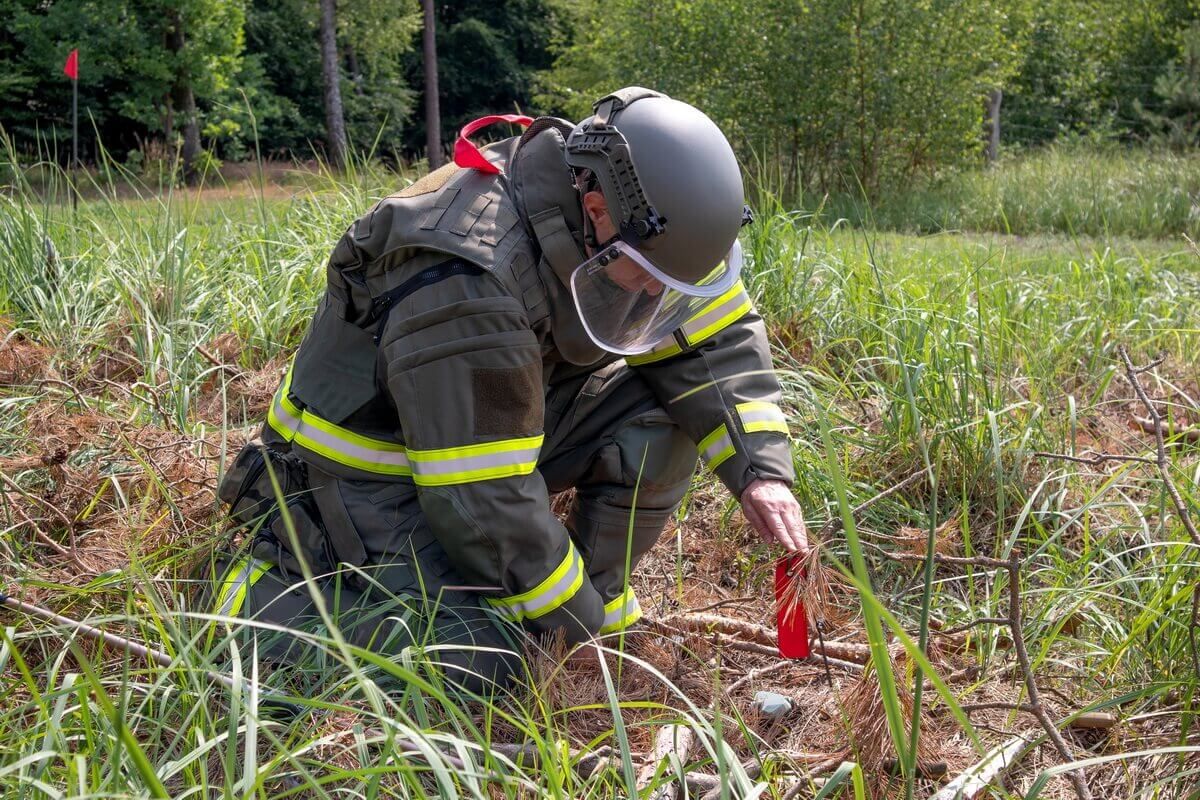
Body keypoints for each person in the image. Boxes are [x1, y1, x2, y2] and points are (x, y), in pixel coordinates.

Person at [208, 87, 808, 695]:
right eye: (649, 279)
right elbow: (484, 498)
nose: (655, 297)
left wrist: (761, 472)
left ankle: (572, 603)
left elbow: (714, 337)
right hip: (368, 485)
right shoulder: (470, 274)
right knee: (492, 665)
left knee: (659, 415)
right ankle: (265, 609)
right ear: (596, 208)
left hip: (480, 436)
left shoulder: (634, 226)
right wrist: (582, 635)